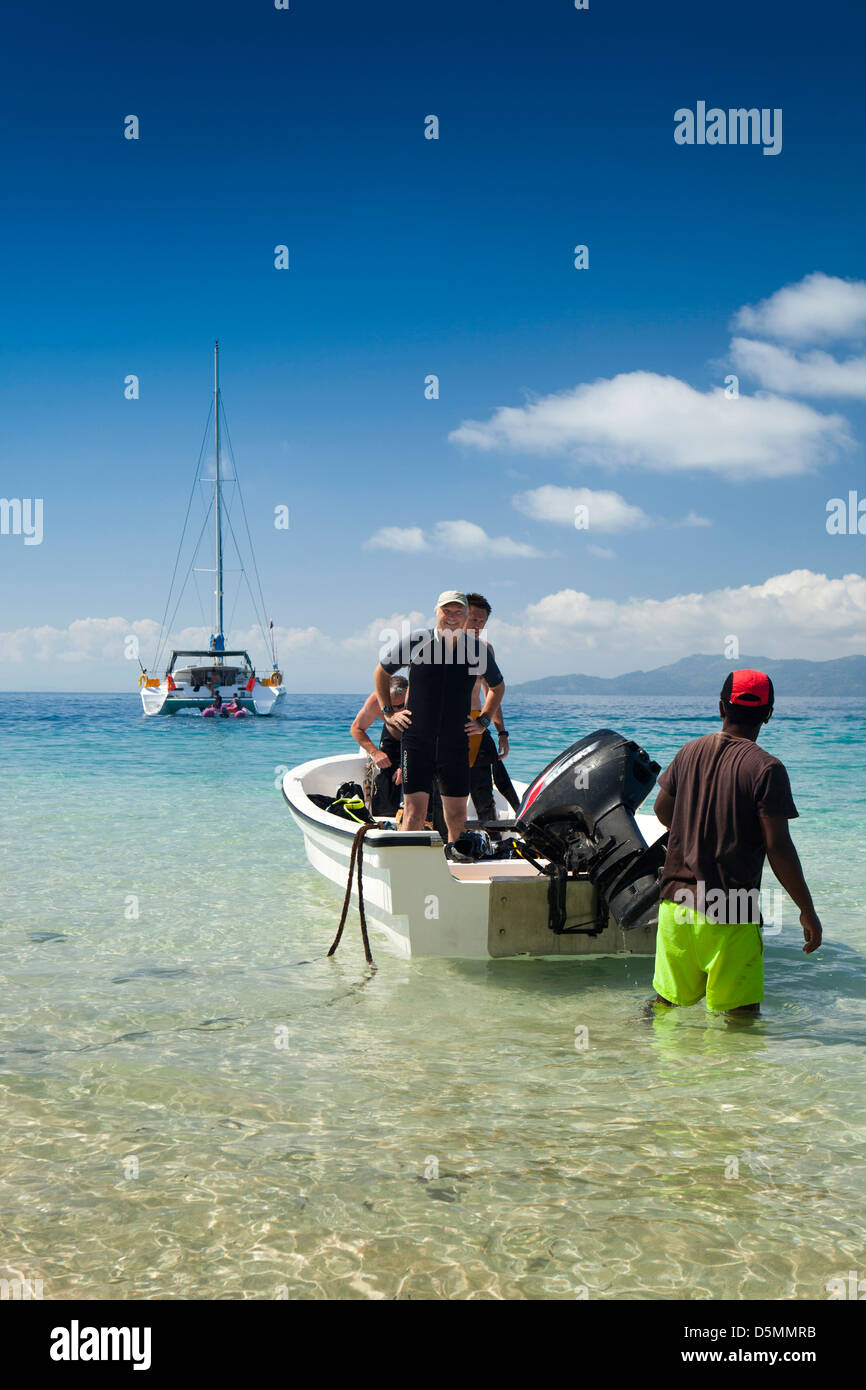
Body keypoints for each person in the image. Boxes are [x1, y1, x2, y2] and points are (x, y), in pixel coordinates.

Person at [651, 669, 822, 1018]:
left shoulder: (688, 752)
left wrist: (696, 832)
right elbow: (778, 847)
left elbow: (663, 810)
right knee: (740, 1024)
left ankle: (652, 1069)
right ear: (768, 714)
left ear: (720, 708)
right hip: (732, 908)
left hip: (675, 904)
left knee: (665, 1011)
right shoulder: (767, 769)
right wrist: (807, 909)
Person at [374, 590, 504, 851]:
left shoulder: (476, 650)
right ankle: (405, 867)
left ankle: (457, 861)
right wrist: (388, 711)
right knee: (414, 813)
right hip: (416, 741)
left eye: (459, 612)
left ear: (466, 615)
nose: (452, 617)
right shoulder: (417, 641)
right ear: (437, 612)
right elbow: (382, 672)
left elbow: (498, 687)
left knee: (457, 815)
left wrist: (485, 721)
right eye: (447, 611)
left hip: (455, 742)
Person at [463, 593, 520, 826]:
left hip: (477, 724)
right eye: (473, 619)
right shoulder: (438, 649)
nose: (477, 625)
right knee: (441, 791)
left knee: (484, 792)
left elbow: (491, 693)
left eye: (482, 622)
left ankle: (494, 842)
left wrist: (501, 732)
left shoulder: (485, 649)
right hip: (446, 729)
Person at [350, 676, 409, 816]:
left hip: (419, 745)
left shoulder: (418, 700)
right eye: (390, 708)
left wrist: (405, 766)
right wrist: (375, 752)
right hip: (391, 740)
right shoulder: (376, 701)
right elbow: (356, 729)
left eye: (401, 707)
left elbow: (432, 740)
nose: (396, 712)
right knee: (385, 795)